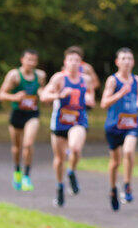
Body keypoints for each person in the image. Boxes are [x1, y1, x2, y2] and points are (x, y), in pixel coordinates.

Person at [40, 47, 96, 207]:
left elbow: (91, 97)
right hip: (60, 122)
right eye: (71, 60)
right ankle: (60, 187)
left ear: (81, 63)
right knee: (59, 159)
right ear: (65, 62)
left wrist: (89, 99)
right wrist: (59, 95)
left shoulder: (86, 79)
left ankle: (71, 171)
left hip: (78, 121)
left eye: (77, 60)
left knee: (75, 149)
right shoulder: (59, 78)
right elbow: (44, 96)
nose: (73, 63)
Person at [100, 48, 138, 210]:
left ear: (133, 62)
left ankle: (127, 185)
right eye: (123, 58)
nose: (127, 61)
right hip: (114, 125)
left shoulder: (137, 80)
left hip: (132, 124)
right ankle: (113, 189)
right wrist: (120, 93)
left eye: (130, 59)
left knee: (128, 151)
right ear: (117, 62)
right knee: (115, 162)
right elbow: (104, 103)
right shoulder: (112, 81)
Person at [0, 49, 46, 191]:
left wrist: (43, 95)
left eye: (34, 60)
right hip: (17, 114)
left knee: (28, 144)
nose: (31, 63)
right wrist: (15, 97)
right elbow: (1, 95)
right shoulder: (14, 75)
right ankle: (17, 171)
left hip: (32, 114)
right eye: (29, 59)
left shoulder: (40, 75)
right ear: (22, 60)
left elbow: (41, 90)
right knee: (16, 148)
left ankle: (26, 176)